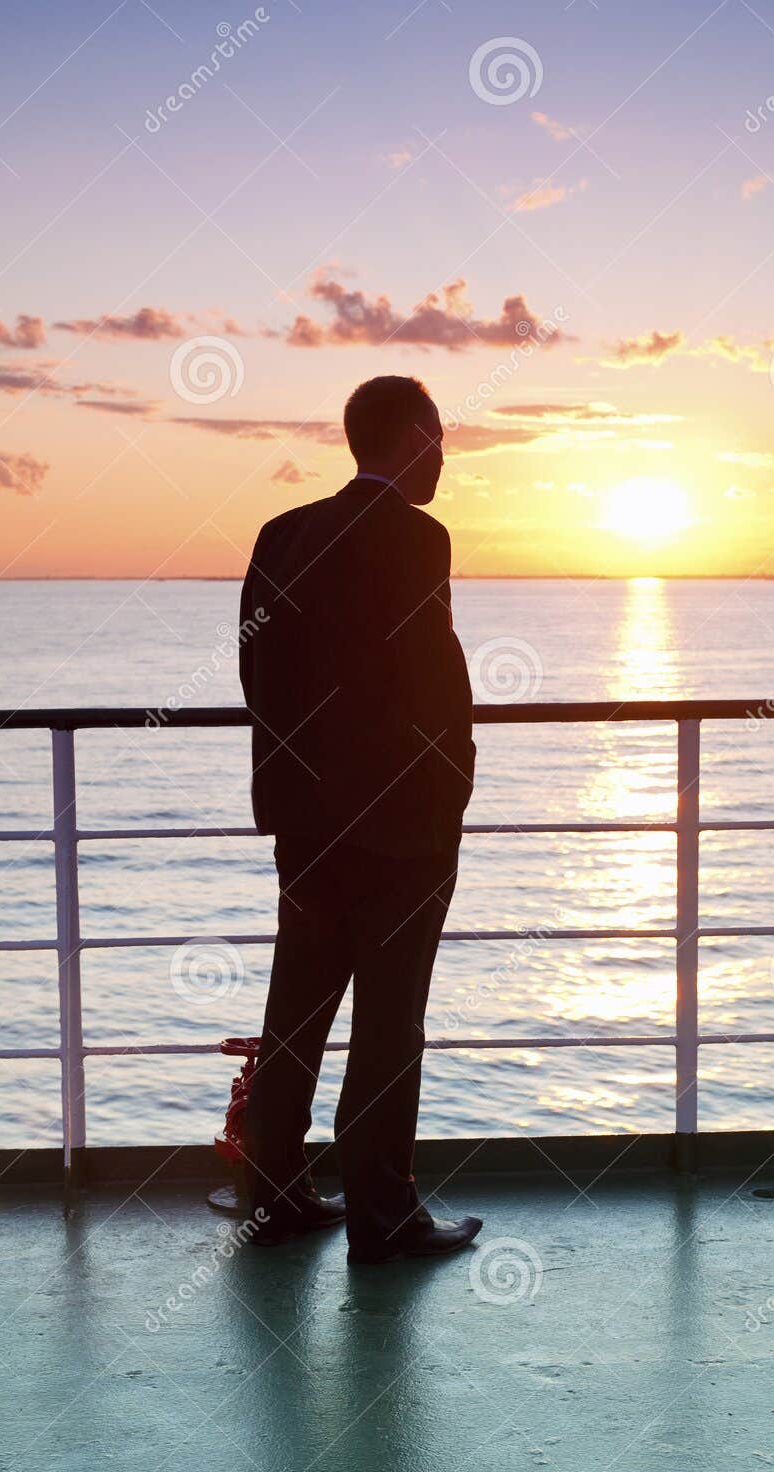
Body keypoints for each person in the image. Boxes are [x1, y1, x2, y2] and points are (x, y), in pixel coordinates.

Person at [238, 375, 482, 1265]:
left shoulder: (283, 533)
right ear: (413, 436)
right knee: (389, 1020)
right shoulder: (417, 540)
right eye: (441, 438)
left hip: (304, 821)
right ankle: (383, 1213)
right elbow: (431, 676)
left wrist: (292, 785)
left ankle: (273, 1197)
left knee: (294, 1010)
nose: (445, 458)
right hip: (400, 827)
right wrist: (452, 784)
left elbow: (255, 668)